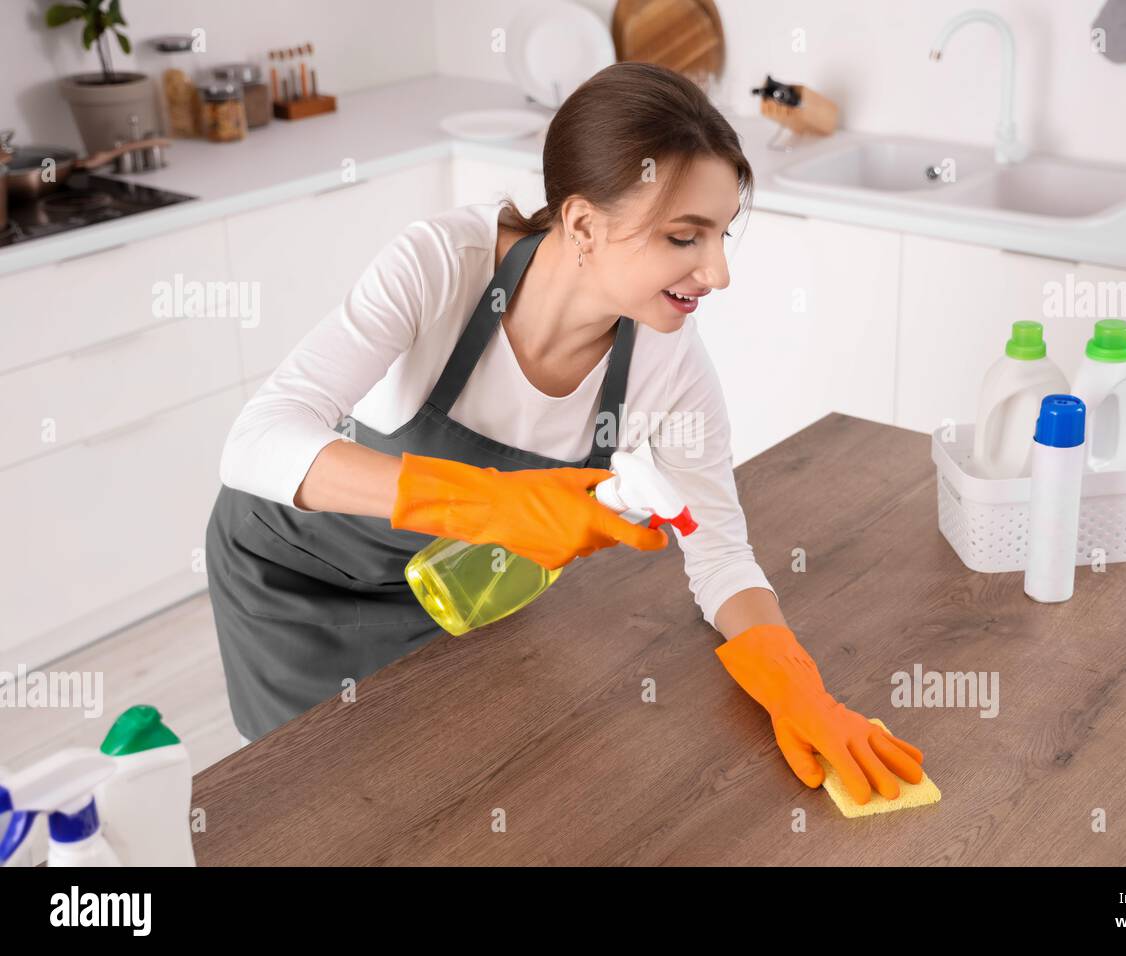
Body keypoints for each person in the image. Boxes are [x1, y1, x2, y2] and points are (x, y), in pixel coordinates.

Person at [205, 62, 923, 805]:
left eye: (720, 237)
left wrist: (792, 683)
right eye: (685, 237)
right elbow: (255, 442)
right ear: (582, 223)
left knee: (435, 802)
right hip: (293, 578)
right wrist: (485, 502)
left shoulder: (668, 364)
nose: (717, 273)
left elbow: (719, 553)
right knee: (312, 808)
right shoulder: (442, 266)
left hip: (455, 600)